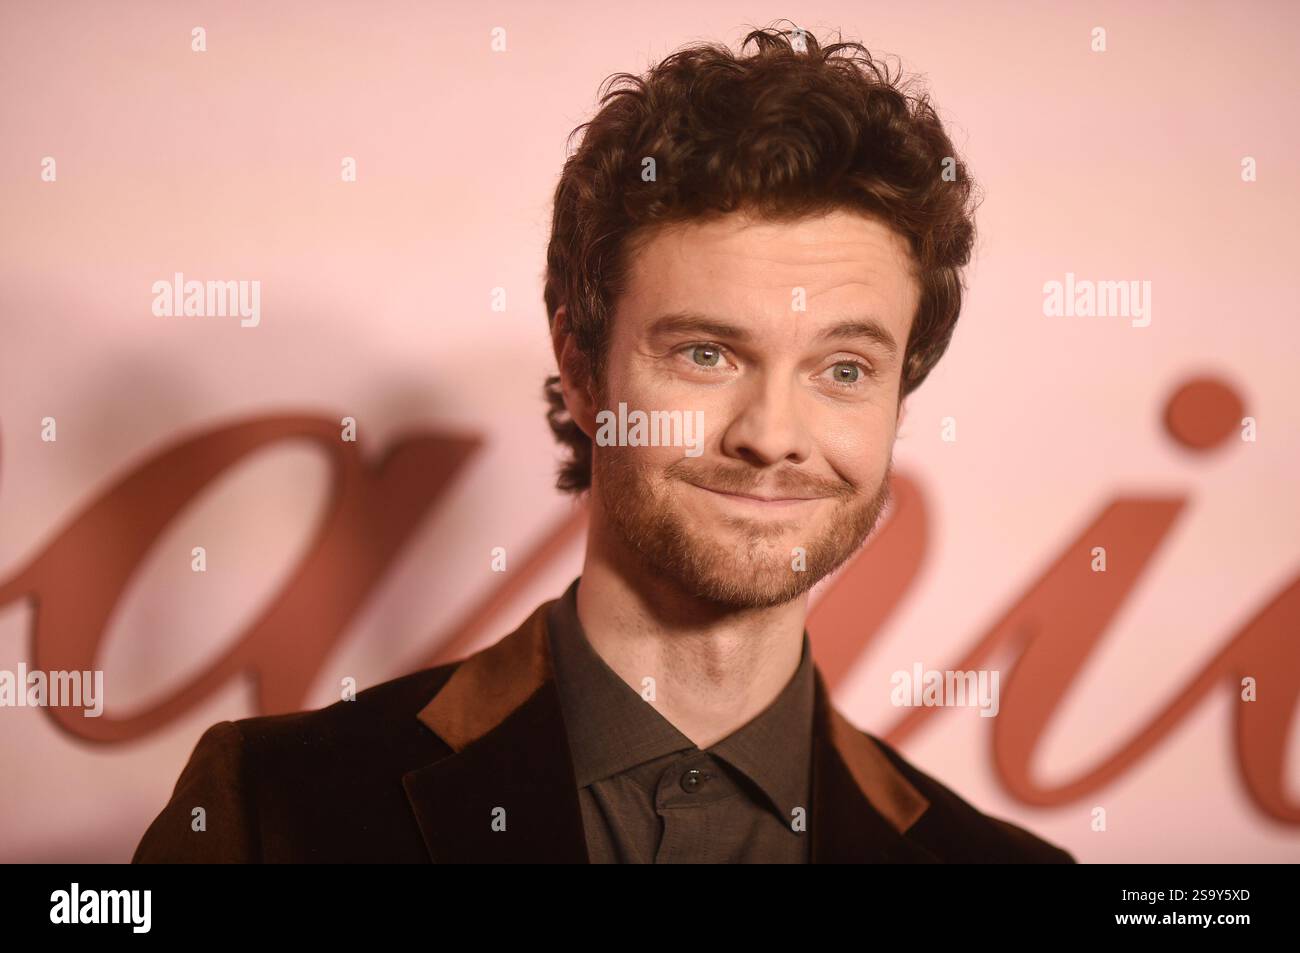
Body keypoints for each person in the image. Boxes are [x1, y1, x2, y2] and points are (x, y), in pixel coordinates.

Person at [133, 24, 1075, 864]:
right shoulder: (273, 813)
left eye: (844, 369)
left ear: (900, 400)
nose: (772, 436)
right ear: (582, 370)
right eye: (706, 353)